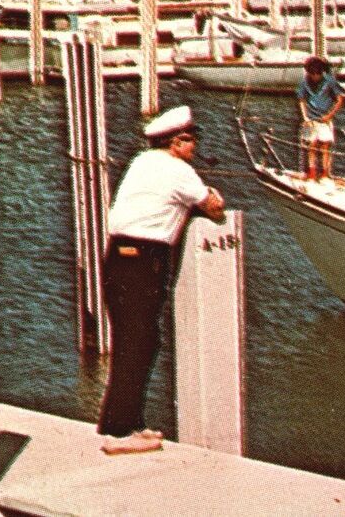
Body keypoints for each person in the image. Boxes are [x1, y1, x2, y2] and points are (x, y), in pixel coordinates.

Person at [96, 106, 226, 455]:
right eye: (191, 140)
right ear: (176, 142)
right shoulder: (179, 171)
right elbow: (214, 208)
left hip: (116, 258)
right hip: (144, 262)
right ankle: (122, 433)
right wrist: (212, 197)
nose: (195, 147)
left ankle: (119, 422)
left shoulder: (142, 162)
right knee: (141, 342)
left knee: (130, 340)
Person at [297, 56, 345, 181]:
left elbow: (340, 99)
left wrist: (329, 115)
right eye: (311, 73)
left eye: (316, 74)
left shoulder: (330, 81)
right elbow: (302, 100)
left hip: (325, 119)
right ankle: (312, 172)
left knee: (325, 146)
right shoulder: (305, 82)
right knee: (311, 146)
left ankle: (325, 173)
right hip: (311, 118)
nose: (314, 76)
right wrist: (305, 117)